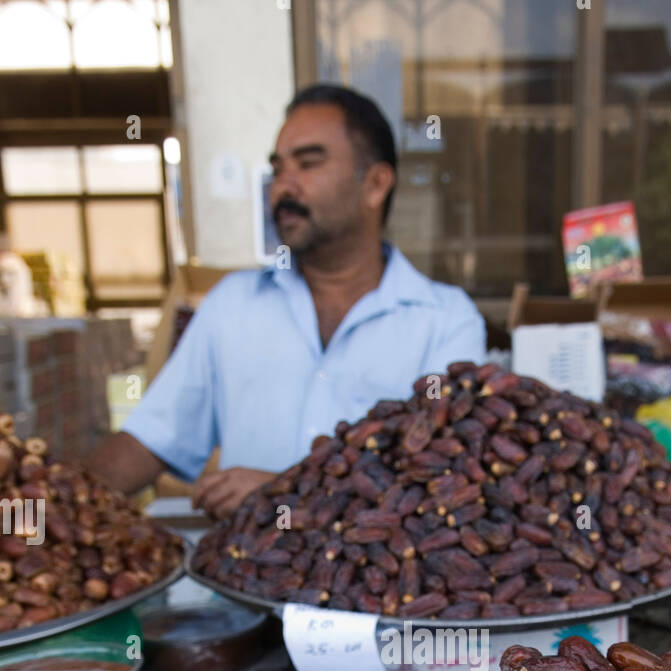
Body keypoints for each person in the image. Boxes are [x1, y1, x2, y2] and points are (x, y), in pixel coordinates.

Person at [87, 84, 486, 519]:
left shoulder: (444, 320)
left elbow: (444, 477)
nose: (282, 187)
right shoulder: (232, 306)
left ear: (375, 185)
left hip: (381, 584)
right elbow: (151, 439)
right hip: (247, 581)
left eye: (308, 164)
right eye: (278, 169)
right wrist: (47, 500)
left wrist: (287, 494)